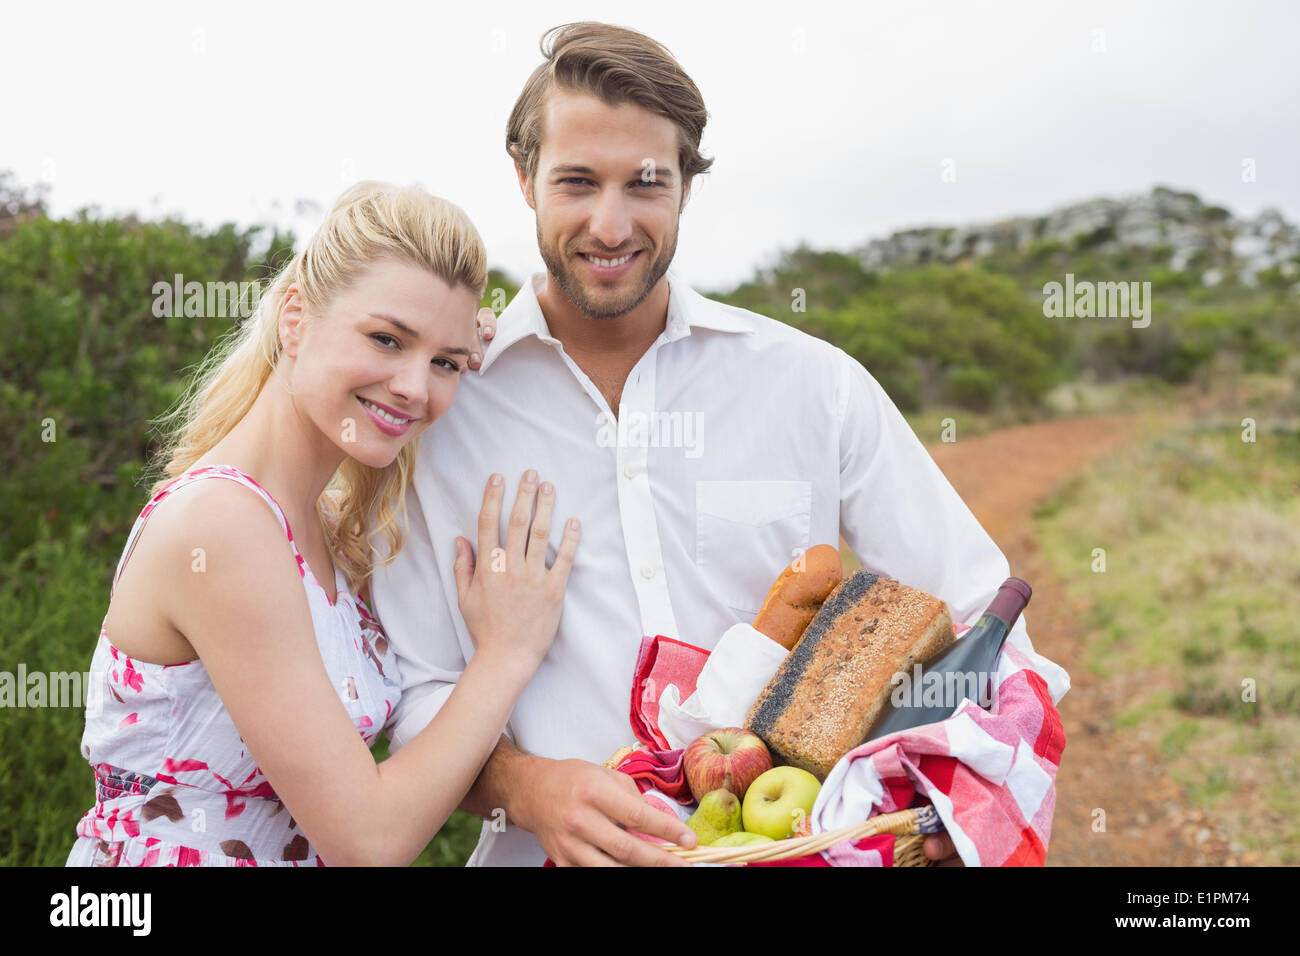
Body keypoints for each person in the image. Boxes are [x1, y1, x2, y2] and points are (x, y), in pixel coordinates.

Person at [371, 21, 1069, 867]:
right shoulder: (442, 410)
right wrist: (524, 785)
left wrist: (953, 804)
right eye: (578, 181)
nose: (610, 222)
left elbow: (983, 618)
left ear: (688, 187)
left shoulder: (813, 385)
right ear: (524, 179)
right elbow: (416, 691)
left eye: (646, 183)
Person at [66, 181, 582, 866]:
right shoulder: (223, 527)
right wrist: (506, 654)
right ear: (295, 319)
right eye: (385, 337)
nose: (414, 386)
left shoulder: (325, 527)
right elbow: (368, 839)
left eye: (444, 363)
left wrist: (473, 337)